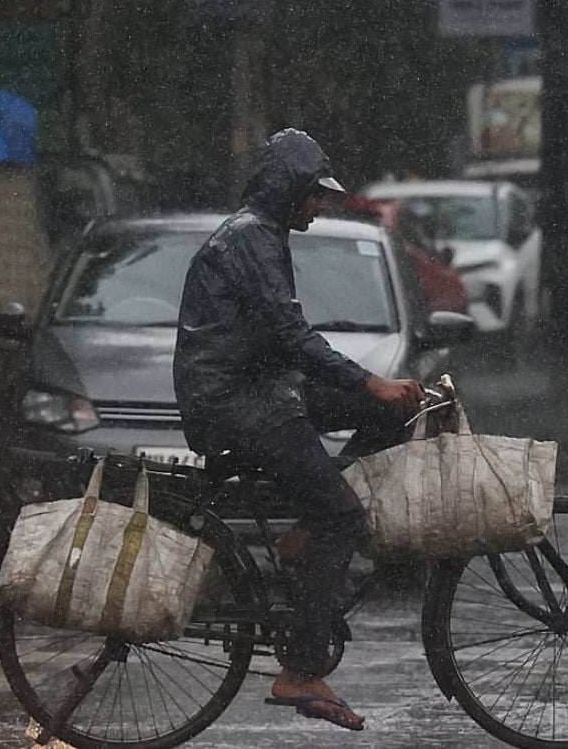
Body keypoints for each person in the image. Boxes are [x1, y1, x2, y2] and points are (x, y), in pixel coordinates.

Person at [173, 128, 424, 732]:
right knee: (346, 516)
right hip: (239, 404)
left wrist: (375, 395)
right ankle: (302, 670)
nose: (320, 205)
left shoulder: (262, 233)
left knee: (396, 414)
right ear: (289, 192)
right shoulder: (250, 239)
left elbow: (283, 343)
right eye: (315, 196)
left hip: (263, 391)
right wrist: (367, 380)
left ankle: (308, 524)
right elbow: (291, 334)